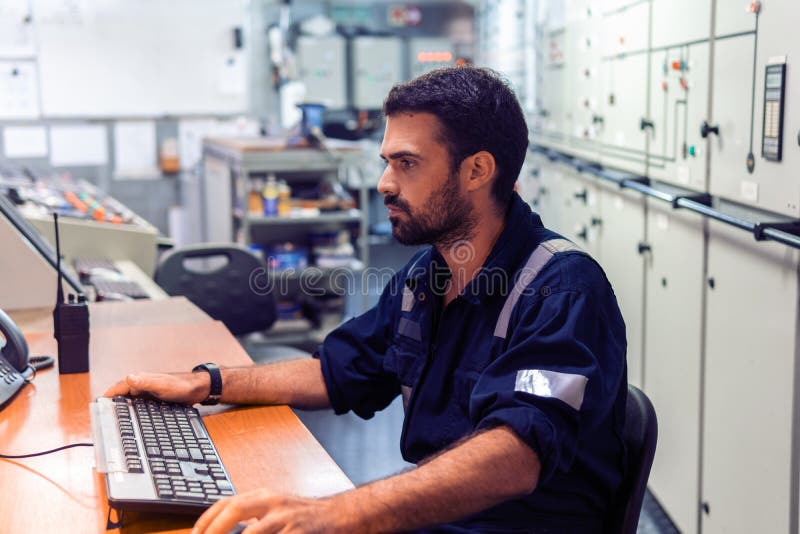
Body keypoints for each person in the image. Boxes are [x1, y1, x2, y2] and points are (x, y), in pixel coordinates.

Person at [105, 66, 627, 534]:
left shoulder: (563, 287)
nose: (384, 184)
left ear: (476, 170)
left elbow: (516, 455)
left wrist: (339, 512)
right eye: (386, 162)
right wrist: (209, 382)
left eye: (407, 163)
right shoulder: (427, 276)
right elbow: (336, 370)